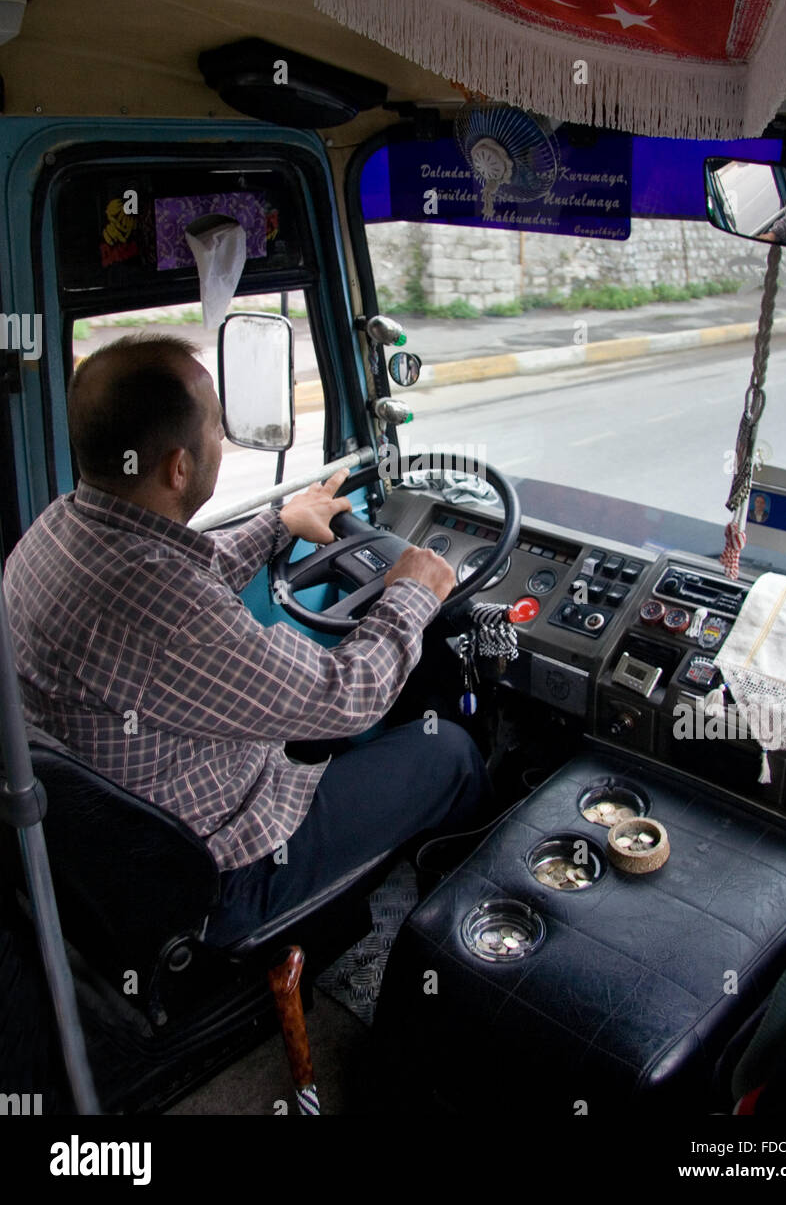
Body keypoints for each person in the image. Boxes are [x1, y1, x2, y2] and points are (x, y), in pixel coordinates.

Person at [2, 335, 491, 944]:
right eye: (216, 427)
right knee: (449, 751)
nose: (225, 441)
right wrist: (415, 591)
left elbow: (179, 578)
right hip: (220, 878)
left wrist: (277, 525)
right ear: (179, 467)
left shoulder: (56, 530)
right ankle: (446, 931)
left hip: (115, 861)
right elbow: (348, 695)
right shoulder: (171, 610)